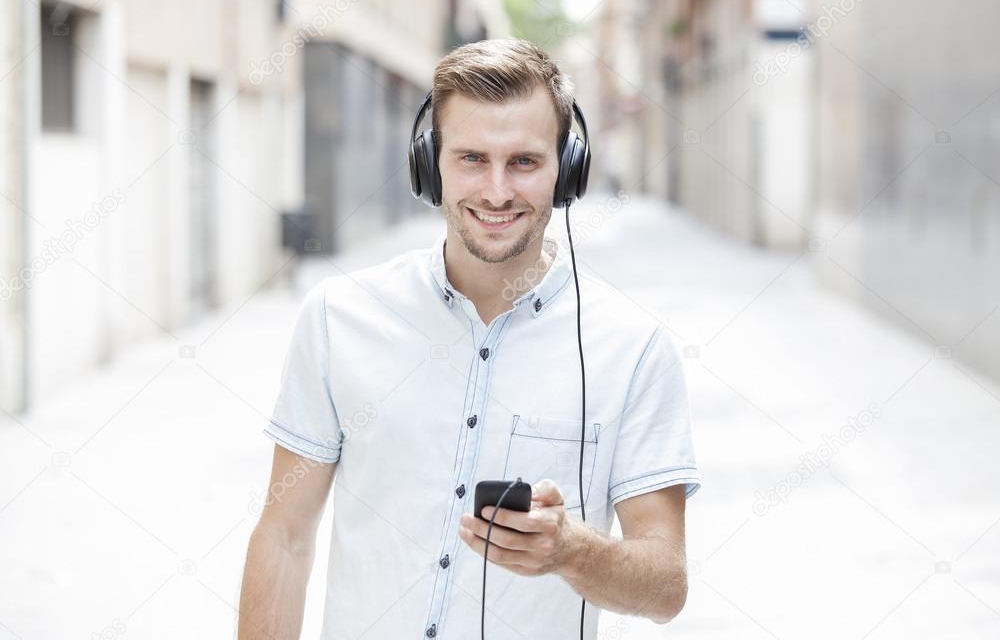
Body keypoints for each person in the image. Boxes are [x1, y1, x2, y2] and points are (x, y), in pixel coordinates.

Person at [238, 37, 700, 640]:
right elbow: (285, 538)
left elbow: (666, 587)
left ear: (569, 168)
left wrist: (572, 550)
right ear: (430, 164)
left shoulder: (635, 351)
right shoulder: (338, 317)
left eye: (525, 162)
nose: (498, 191)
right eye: (472, 158)